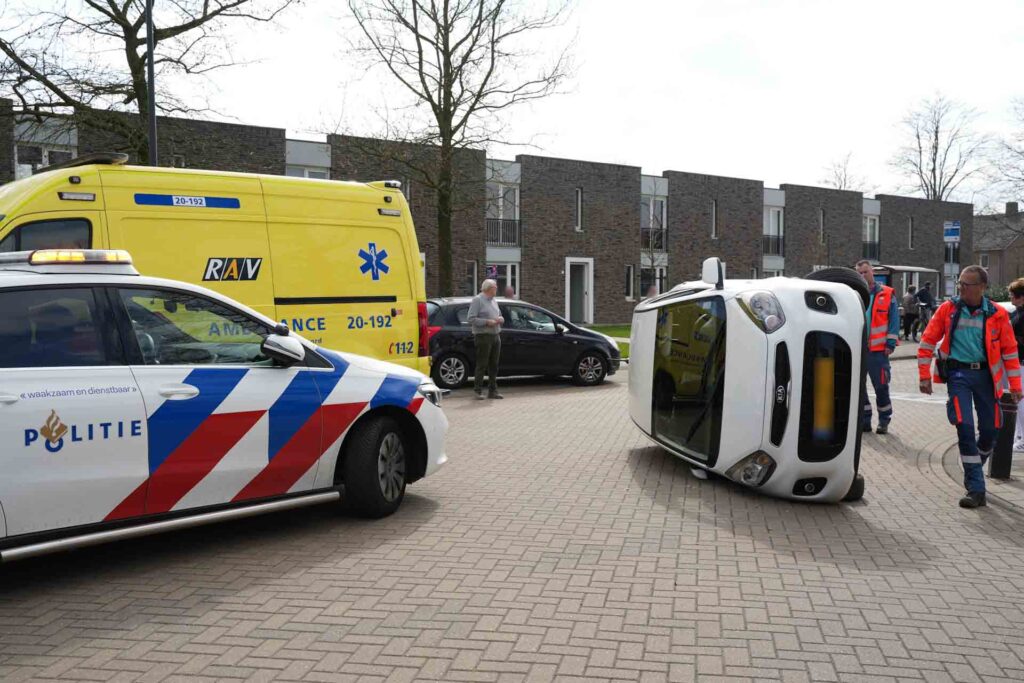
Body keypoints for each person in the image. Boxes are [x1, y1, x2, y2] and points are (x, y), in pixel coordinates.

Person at [918, 266, 1023, 508]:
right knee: (964, 427)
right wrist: (924, 376)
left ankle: (974, 462)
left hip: (986, 378)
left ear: (982, 287)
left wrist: (1016, 386)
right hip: (958, 375)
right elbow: (927, 342)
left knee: (991, 430)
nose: (961, 288)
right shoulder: (948, 309)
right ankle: (976, 488)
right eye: (960, 283)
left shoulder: (996, 314)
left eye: (967, 284)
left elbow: (1010, 352)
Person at [855, 260, 899, 435]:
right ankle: (865, 420)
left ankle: (884, 420)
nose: (863, 276)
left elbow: (894, 320)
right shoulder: (854, 294)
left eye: (865, 272)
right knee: (859, 388)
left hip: (878, 352)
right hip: (859, 350)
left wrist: (890, 343)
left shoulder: (887, 294)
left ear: (872, 272)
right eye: (859, 273)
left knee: (881, 386)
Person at [468, 278, 504, 399]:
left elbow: (498, 314)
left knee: (494, 364)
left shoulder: (494, 300)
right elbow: (471, 318)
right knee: (482, 364)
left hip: (495, 335)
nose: (497, 289)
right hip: (483, 336)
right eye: (495, 287)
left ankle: (492, 391)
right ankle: (477, 391)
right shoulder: (478, 300)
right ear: (489, 288)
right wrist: (486, 322)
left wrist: (500, 318)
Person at [1011, 278, 1024, 452]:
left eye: (1012, 295)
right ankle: (1019, 435)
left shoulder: (1020, 317)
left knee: (1020, 402)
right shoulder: (1017, 313)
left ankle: (1022, 438)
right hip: (1019, 363)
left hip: (1021, 363)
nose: (1010, 297)